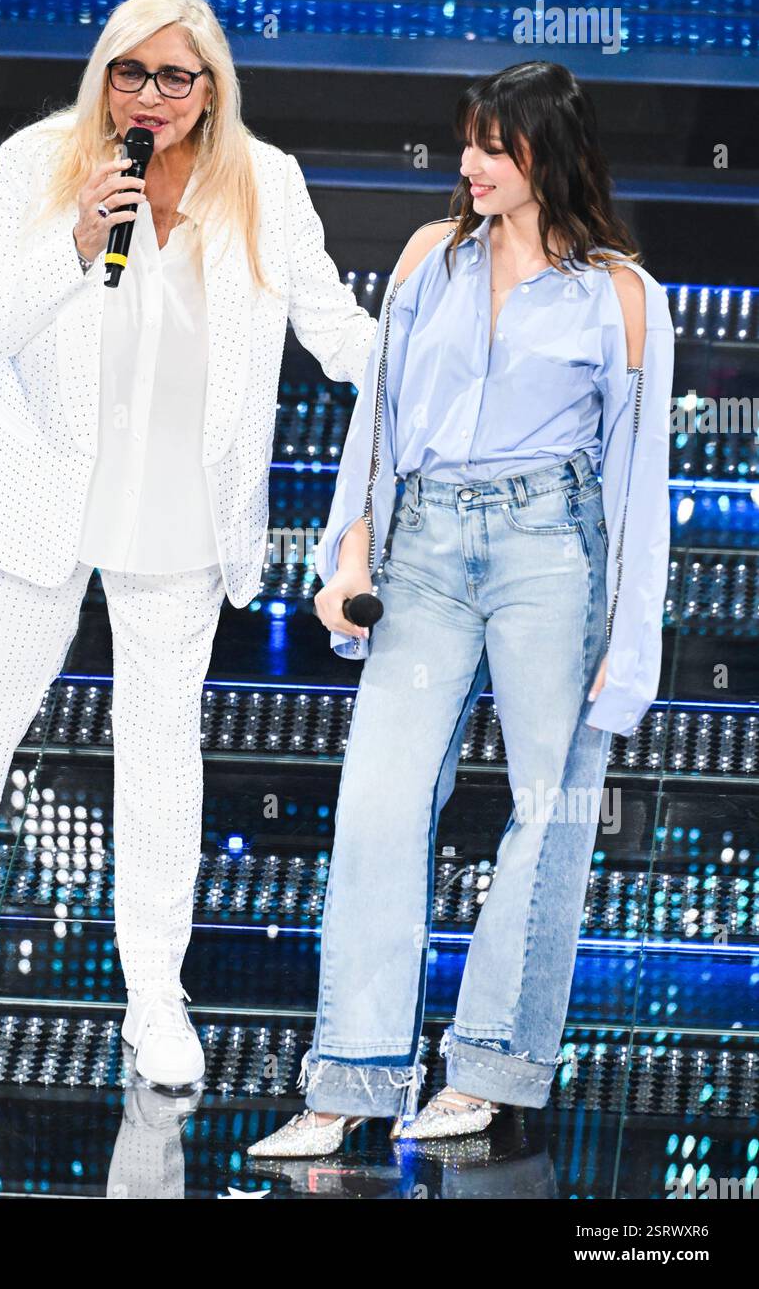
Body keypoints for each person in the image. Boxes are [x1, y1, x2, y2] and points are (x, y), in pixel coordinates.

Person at [0, 0, 377, 1091]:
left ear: (211, 84)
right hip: (44, 482)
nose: (149, 96)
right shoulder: (37, 161)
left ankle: (150, 984)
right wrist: (78, 238)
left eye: (173, 77)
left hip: (179, 498)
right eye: (128, 73)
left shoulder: (262, 183)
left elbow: (331, 328)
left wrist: (452, 376)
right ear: (103, 76)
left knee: (158, 749)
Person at [248, 60, 674, 1158]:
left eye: (494, 145)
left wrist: (627, 651)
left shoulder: (620, 293)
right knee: (378, 803)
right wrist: (345, 556)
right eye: (466, 144)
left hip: (552, 548)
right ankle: (349, 1081)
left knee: (548, 809)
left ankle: (488, 1068)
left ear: (546, 150)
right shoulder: (426, 261)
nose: (470, 165)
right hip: (424, 549)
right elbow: (376, 433)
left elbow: (636, 488)